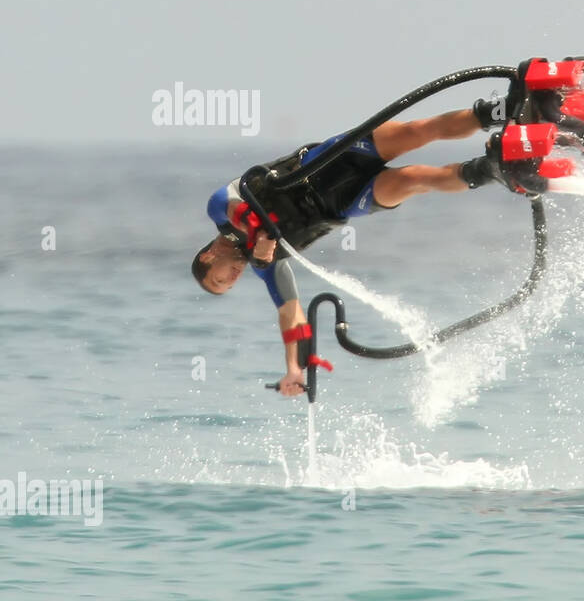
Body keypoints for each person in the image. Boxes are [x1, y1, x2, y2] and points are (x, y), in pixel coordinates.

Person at [191, 98, 545, 396]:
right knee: (414, 180)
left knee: (416, 132)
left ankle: (502, 109)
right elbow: (291, 314)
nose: (233, 279)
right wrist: (294, 370)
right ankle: (492, 169)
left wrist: (260, 236)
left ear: (209, 257)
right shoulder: (265, 264)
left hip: (328, 164)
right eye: (230, 285)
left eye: (221, 280)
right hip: (343, 202)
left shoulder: (217, 211)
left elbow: (237, 208)